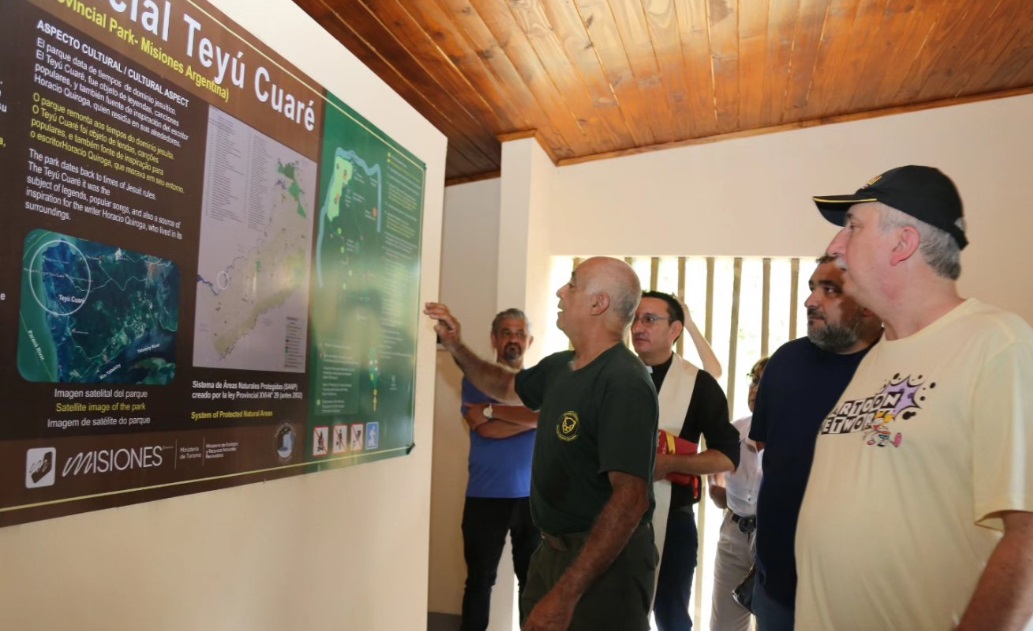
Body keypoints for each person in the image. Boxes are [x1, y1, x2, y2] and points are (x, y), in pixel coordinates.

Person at [794, 165, 1033, 630]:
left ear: (903, 243)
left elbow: (1028, 539)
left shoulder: (998, 343)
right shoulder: (878, 355)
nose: (835, 248)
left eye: (853, 228)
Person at [425, 256, 658, 631]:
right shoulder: (561, 366)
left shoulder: (623, 381)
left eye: (573, 284)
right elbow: (503, 386)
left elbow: (630, 501)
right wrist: (455, 345)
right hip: (552, 554)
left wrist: (565, 594)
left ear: (598, 304)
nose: (560, 291)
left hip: (603, 570)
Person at [747, 255, 883, 631]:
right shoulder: (786, 361)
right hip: (777, 586)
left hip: (858, 596)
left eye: (830, 290)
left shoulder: (899, 369)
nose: (810, 301)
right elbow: (767, 451)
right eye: (811, 288)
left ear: (871, 301)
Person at [631, 291, 739, 631]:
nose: (638, 327)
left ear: (675, 329)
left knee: (671, 616)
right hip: (605, 513)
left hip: (672, 518)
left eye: (649, 319)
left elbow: (727, 455)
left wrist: (670, 464)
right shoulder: (613, 372)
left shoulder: (699, 384)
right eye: (634, 318)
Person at [458, 308, 541, 631]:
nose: (513, 339)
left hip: (531, 500)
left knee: (531, 584)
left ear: (529, 341)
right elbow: (484, 429)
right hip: (485, 497)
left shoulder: (537, 383)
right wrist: (531, 419)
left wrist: (495, 412)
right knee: (479, 582)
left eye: (520, 333)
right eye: (506, 332)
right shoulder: (476, 380)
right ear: (494, 339)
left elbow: (542, 419)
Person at [708, 357, 768, 631]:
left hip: (773, 538)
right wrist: (715, 485)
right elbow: (716, 475)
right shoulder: (734, 431)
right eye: (754, 380)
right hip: (733, 533)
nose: (755, 389)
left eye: (765, 382)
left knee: (771, 622)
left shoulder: (797, 437)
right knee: (724, 626)